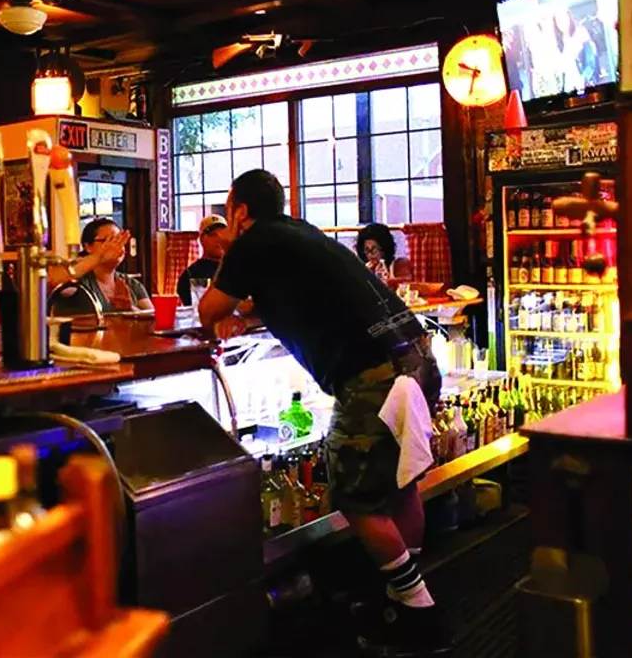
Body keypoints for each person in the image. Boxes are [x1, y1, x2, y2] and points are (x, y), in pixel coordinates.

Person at [197, 170, 450, 656]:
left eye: (229, 209)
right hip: (416, 356)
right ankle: (398, 591)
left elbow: (209, 309)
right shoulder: (299, 232)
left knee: (355, 498)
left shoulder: (252, 242)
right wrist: (249, 314)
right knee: (400, 483)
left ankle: (419, 611)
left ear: (240, 211)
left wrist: (229, 257)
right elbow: (275, 302)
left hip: (373, 374)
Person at [49, 217, 152, 313]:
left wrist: (130, 308)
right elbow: (54, 280)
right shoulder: (80, 280)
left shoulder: (132, 284)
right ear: (88, 247)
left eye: (119, 240)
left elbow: (152, 318)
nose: (116, 246)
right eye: (108, 241)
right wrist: (100, 256)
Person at [176, 214, 228, 306]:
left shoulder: (238, 269)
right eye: (213, 235)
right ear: (201, 239)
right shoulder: (190, 274)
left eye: (223, 234)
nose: (219, 239)